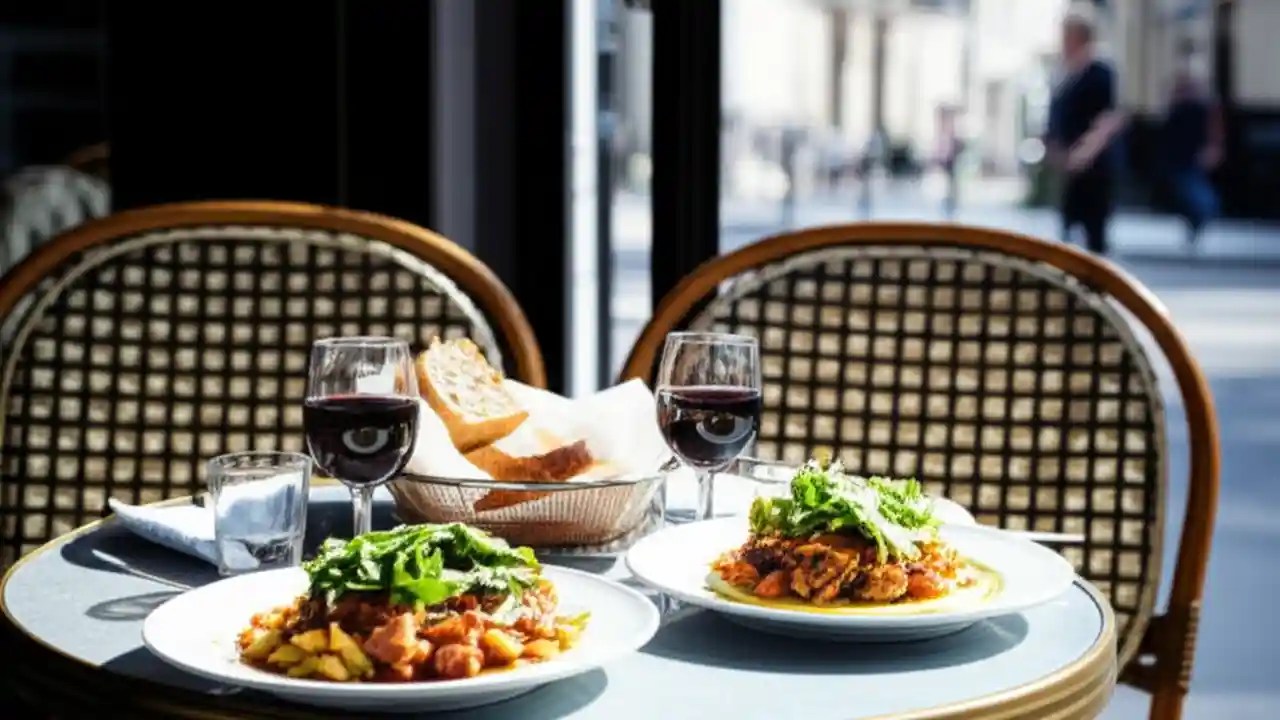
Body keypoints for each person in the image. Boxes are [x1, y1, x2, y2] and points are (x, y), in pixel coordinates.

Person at [1045, 7, 1124, 255]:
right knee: (1068, 222)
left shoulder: (1100, 72)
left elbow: (1109, 118)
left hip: (1094, 162)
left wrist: (1084, 152)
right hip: (1070, 163)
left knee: (1094, 227)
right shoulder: (1066, 72)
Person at [1161, 57, 1224, 248]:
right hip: (1177, 153)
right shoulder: (1177, 102)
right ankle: (1195, 222)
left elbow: (1215, 129)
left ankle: (1203, 215)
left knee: (1195, 190)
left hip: (1193, 153)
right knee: (1184, 191)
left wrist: (1214, 148)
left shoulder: (1204, 104)